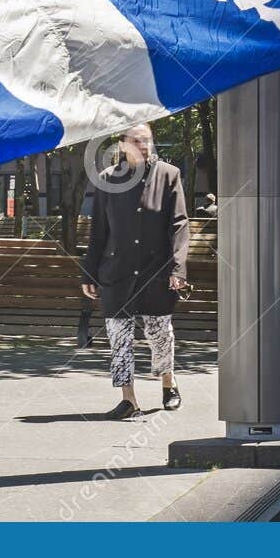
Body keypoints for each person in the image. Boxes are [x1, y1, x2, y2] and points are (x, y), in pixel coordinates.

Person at [80, 124, 190, 418]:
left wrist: (178, 268)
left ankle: (169, 383)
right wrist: (89, 273)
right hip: (117, 272)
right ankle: (128, 399)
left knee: (159, 334)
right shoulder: (106, 180)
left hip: (156, 270)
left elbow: (179, 224)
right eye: (137, 141)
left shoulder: (168, 175)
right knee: (119, 337)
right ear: (122, 145)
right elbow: (98, 232)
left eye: (147, 140)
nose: (144, 145)